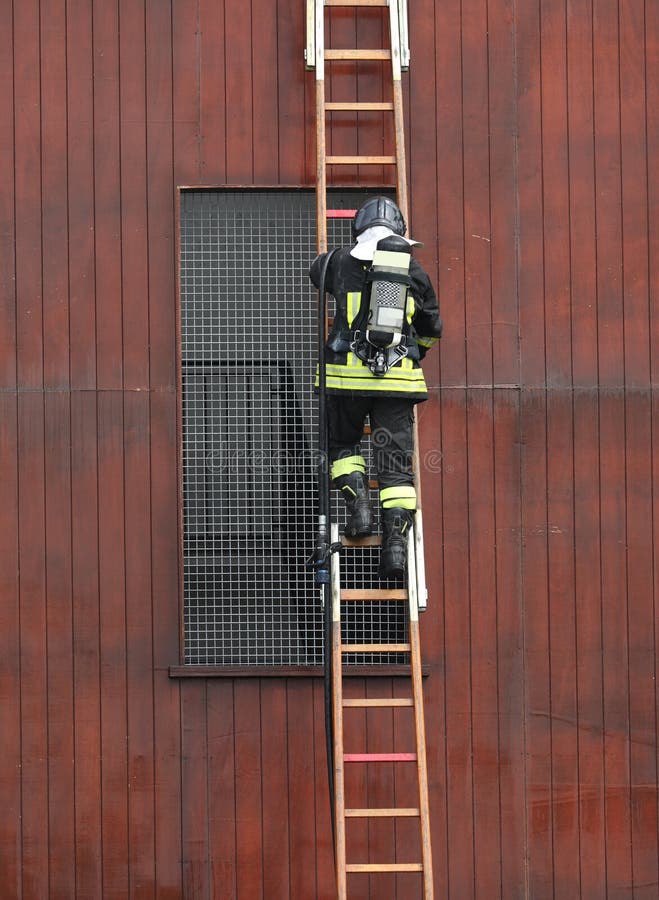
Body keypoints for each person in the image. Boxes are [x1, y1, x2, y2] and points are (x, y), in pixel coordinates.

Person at [309, 196, 442, 579]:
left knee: (342, 445)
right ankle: (395, 549)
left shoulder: (335, 262)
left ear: (358, 227)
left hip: (342, 383)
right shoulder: (412, 269)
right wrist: (412, 359)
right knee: (396, 469)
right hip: (397, 385)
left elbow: (315, 273)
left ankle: (358, 511)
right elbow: (433, 328)